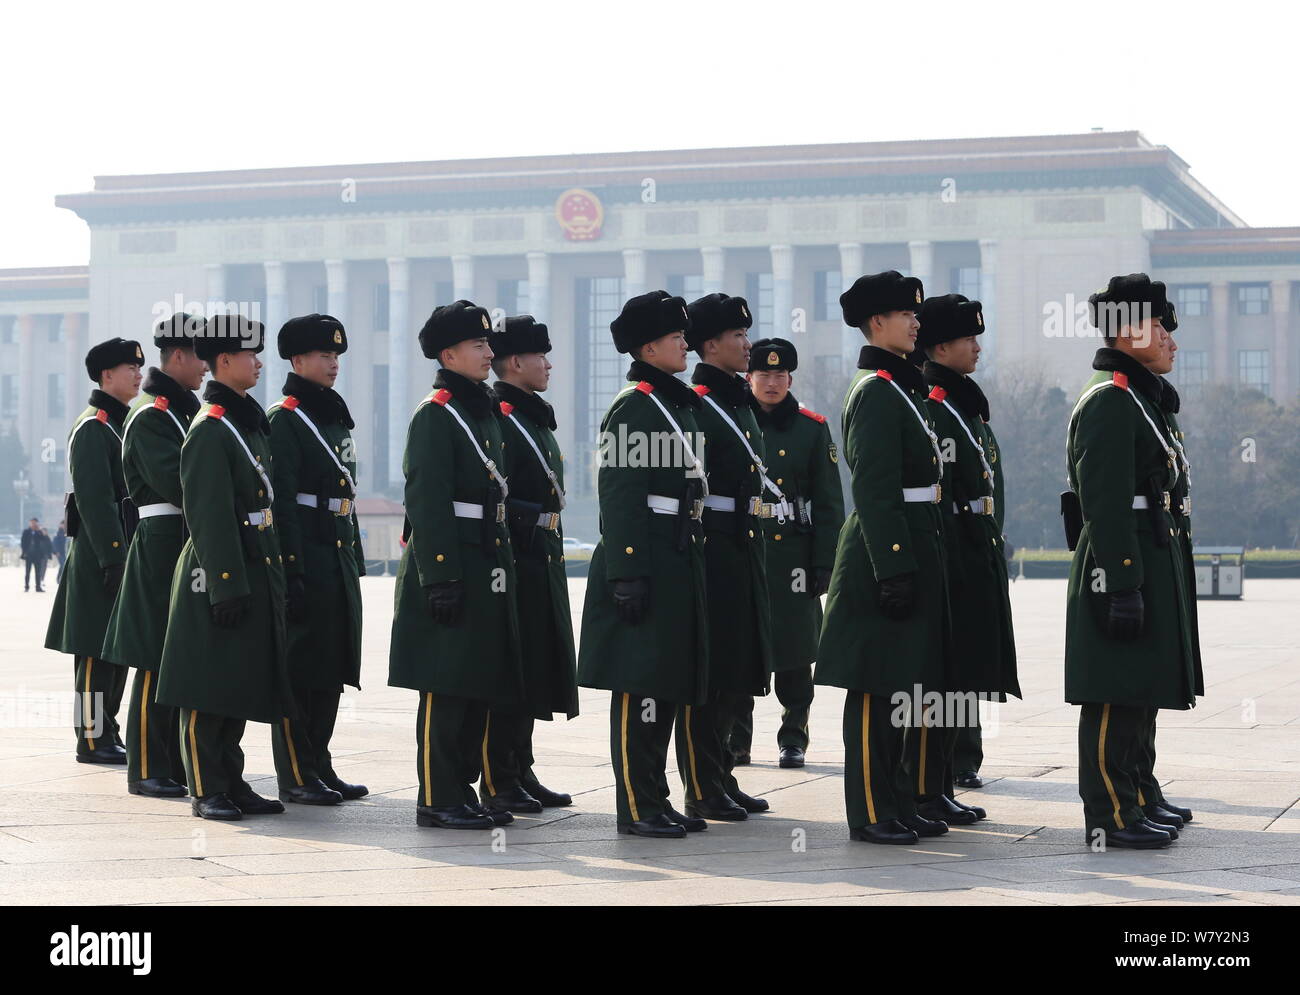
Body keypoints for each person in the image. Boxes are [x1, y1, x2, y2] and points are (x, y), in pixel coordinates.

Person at [816, 271, 953, 845]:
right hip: (884, 550)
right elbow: (873, 488)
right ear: (878, 323)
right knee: (877, 689)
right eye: (907, 315)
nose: (917, 322)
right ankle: (871, 809)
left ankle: (897, 800)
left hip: (915, 537)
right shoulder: (874, 391)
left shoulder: (902, 388)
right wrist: (893, 565)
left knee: (906, 685)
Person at [1064, 275, 1200, 850]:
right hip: (1120, 560)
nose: (1170, 339)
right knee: (1115, 689)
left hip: (1151, 548)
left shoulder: (1139, 398)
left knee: (1140, 684)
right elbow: (1104, 501)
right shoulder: (1110, 401)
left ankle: (1139, 793)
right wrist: (1122, 581)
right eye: (1161, 327)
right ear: (1132, 331)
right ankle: (1110, 814)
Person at [578, 290, 710, 839]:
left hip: (676, 555)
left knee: (669, 684)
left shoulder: (674, 403)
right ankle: (637, 804)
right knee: (642, 689)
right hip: (647, 560)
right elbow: (621, 493)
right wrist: (628, 572)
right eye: (677, 337)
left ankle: (656, 796)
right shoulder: (636, 406)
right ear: (649, 346)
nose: (686, 344)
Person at [388, 300, 524, 830]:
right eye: (478, 345)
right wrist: (440, 574)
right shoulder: (437, 414)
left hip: (486, 555)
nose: (490, 353)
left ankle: (462, 791)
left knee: (476, 681)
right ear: (448, 353)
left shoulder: (479, 410)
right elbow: (427, 500)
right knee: (447, 686)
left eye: (490, 344)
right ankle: (438, 796)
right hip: (452, 564)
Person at [155, 314, 295, 820]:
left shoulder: (242, 422)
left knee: (237, 678)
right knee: (207, 683)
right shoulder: (212, 427)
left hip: (253, 563)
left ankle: (232, 780)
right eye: (250, 355)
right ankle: (205, 787)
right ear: (224, 361)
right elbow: (209, 514)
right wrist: (227, 584)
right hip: (217, 571)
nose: (259, 364)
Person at [912, 293, 1020, 825]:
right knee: (938, 676)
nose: (978, 348)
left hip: (975, 548)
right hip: (950, 551)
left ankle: (940, 785)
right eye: (968, 339)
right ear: (939, 347)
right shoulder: (933, 402)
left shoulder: (964, 400)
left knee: (962, 674)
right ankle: (924, 786)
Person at [675, 292, 773, 821]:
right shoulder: (696, 403)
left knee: (736, 670)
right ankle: (700, 784)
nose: (747, 343)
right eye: (737, 336)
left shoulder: (736, 400)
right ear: (709, 345)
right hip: (711, 544)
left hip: (741, 545)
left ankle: (722, 774)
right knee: (709, 677)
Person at [102, 313, 208, 798]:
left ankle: (175, 761)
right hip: (161, 542)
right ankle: (146, 765)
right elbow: (180, 483)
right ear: (179, 356)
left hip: (183, 540)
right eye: (201, 356)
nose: (208, 366)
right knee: (152, 657)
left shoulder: (181, 413)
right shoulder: (151, 416)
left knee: (179, 656)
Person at [480, 314, 579, 814]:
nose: (549, 365)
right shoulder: (500, 414)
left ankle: (521, 767)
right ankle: (497, 778)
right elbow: (493, 491)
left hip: (540, 555)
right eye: (540, 356)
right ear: (515, 362)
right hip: (514, 555)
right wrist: (525, 521)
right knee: (508, 673)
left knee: (534, 667)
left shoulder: (531, 414)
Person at [730, 337, 844, 769]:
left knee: (796, 655)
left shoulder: (811, 429)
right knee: (741, 649)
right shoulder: (735, 421)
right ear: (750, 377)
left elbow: (830, 502)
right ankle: (737, 740)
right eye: (764, 374)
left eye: (780, 375)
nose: (772, 382)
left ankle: (794, 737)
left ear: (790, 378)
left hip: (793, 556)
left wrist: (823, 564)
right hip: (746, 552)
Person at [267, 314, 366, 806]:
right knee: (301, 670)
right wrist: (292, 568)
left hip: (336, 551)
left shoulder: (332, 415)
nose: (332, 365)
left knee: (331, 666)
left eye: (336, 357)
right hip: (305, 550)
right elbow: (281, 500)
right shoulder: (285, 418)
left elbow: (345, 491)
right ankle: (295, 773)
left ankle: (319, 763)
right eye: (324, 356)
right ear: (297, 360)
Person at [44, 337, 143, 764]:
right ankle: (91, 737)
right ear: (107, 375)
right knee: (92, 654)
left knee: (116, 651)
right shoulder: (93, 426)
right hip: (100, 555)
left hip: (120, 552)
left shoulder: (120, 423)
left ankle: (108, 731)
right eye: (129, 368)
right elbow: (94, 499)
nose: (139, 375)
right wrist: (114, 556)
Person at [21, 518, 52, 592]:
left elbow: (45, 540)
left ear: (37, 524)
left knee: (38, 572)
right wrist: (24, 551)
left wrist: (42, 532)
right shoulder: (26, 532)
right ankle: (26, 586)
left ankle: (38, 587)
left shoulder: (39, 532)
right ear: (30, 523)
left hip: (37, 555)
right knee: (27, 572)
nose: (33, 524)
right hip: (28, 555)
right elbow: (23, 542)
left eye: (35, 523)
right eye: (32, 523)